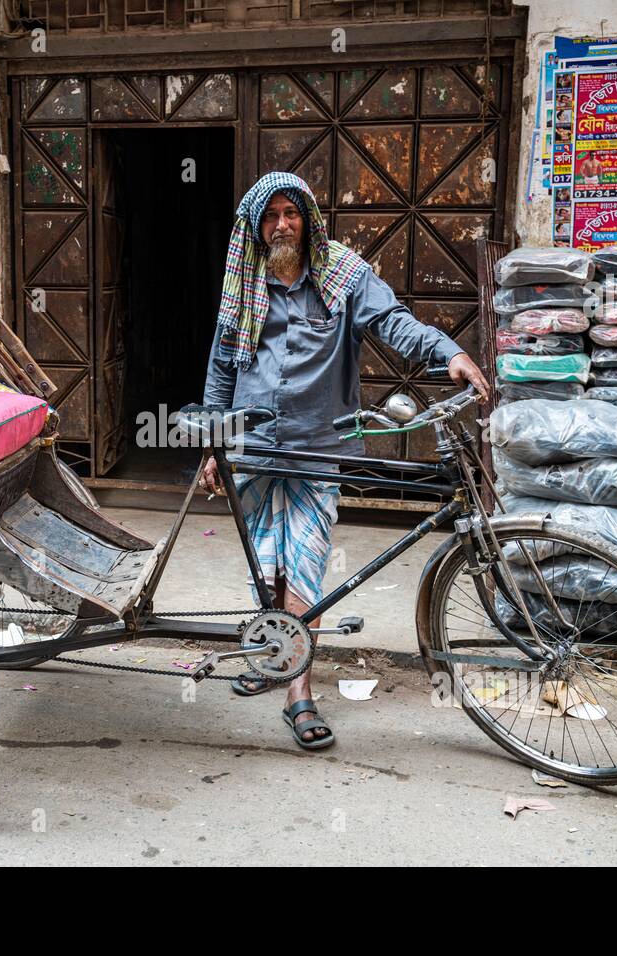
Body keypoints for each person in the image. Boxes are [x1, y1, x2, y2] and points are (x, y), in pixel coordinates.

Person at [201, 171, 489, 751]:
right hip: (254, 446)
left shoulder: (343, 276)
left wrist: (449, 352)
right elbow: (222, 368)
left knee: (304, 559)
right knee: (266, 560)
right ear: (257, 227)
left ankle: (298, 692)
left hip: (315, 445)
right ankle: (270, 653)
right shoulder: (244, 282)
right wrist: (212, 442)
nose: (283, 224)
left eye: (293, 213)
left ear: (308, 219)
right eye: (271, 215)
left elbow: (393, 322)